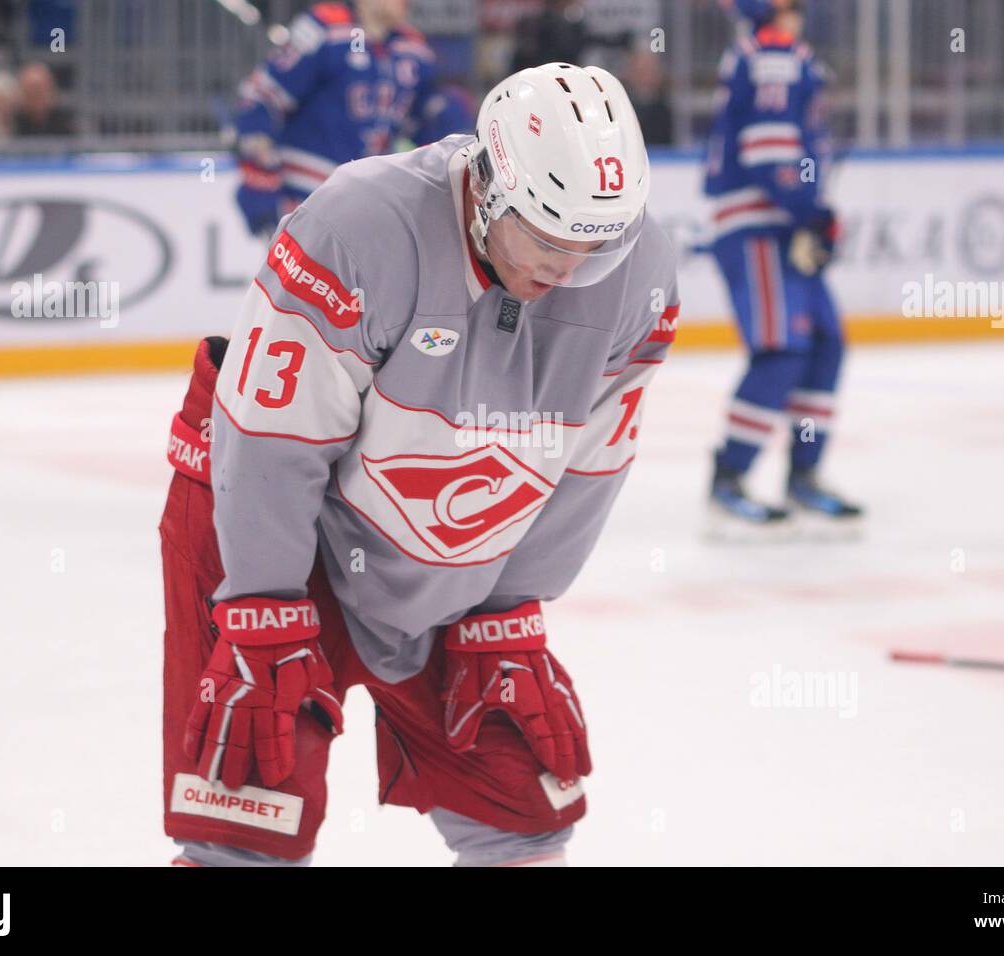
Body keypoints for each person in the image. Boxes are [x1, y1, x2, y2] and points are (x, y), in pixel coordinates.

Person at [159, 62, 678, 866]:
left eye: (596, 247)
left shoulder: (637, 274)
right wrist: (262, 604)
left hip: (449, 535)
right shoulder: (361, 226)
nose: (569, 271)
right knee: (251, 798)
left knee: (521, 808)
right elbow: (272, 439)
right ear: (491, 189)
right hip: (270, 522)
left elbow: (588, 466)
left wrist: (508, 609)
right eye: (546, 240)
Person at [704, 0, 861, 530]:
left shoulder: (776, 51)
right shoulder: (774, 51)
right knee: (781, 351)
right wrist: (812, 213)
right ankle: (729, 475)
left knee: (823, 344)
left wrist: (811, 216)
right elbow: (769, 150)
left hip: (780, 224)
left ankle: (804, 473)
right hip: (760, 224)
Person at [232, 0, 442, 236]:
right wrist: (260, 178)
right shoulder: (325, 28)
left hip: (369, 200)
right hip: (306, 193)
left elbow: (428, 124)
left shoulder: (414, 48)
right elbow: (262, 98)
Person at [12, 62, 73, 138]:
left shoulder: (65, 123)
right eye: (30, 92)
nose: (36, 96)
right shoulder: (11, 124)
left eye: (39, 91)